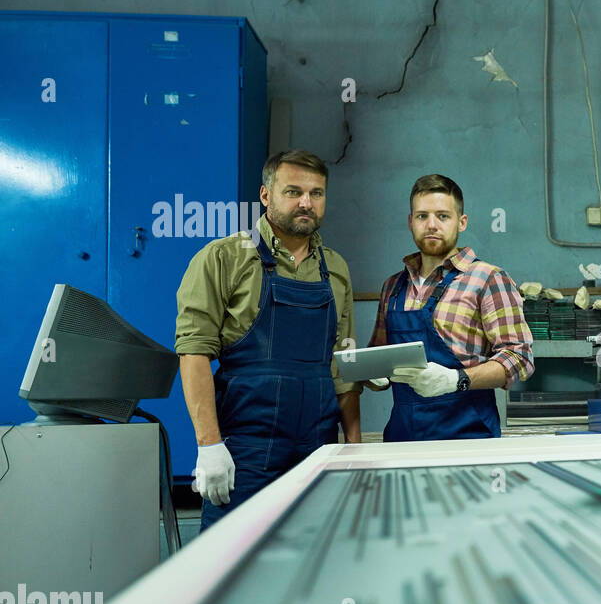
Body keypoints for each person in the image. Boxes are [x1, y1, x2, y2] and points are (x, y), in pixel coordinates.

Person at [176, 149, 363, 529]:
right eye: (293, 191)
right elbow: (194, 352)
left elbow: (343, 366)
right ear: (266, 195)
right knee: (230, 563)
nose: (306, 203)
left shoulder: (336, 269)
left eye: (316, 193)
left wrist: (354, 447)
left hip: (318, 446)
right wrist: (209, 445)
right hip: (246, 447)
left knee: (315, 556)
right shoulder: (222, 258)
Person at [365, 174, 532, 440]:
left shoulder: (488, 279)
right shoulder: (393, 287)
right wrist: (372, 374)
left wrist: (456, 380)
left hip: (467, 438)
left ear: (461, 222)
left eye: (443, 216)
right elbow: (378, 357)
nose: (431, 225)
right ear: (410, 222)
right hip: (402, 440)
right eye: (422, 216)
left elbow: (519, 358)